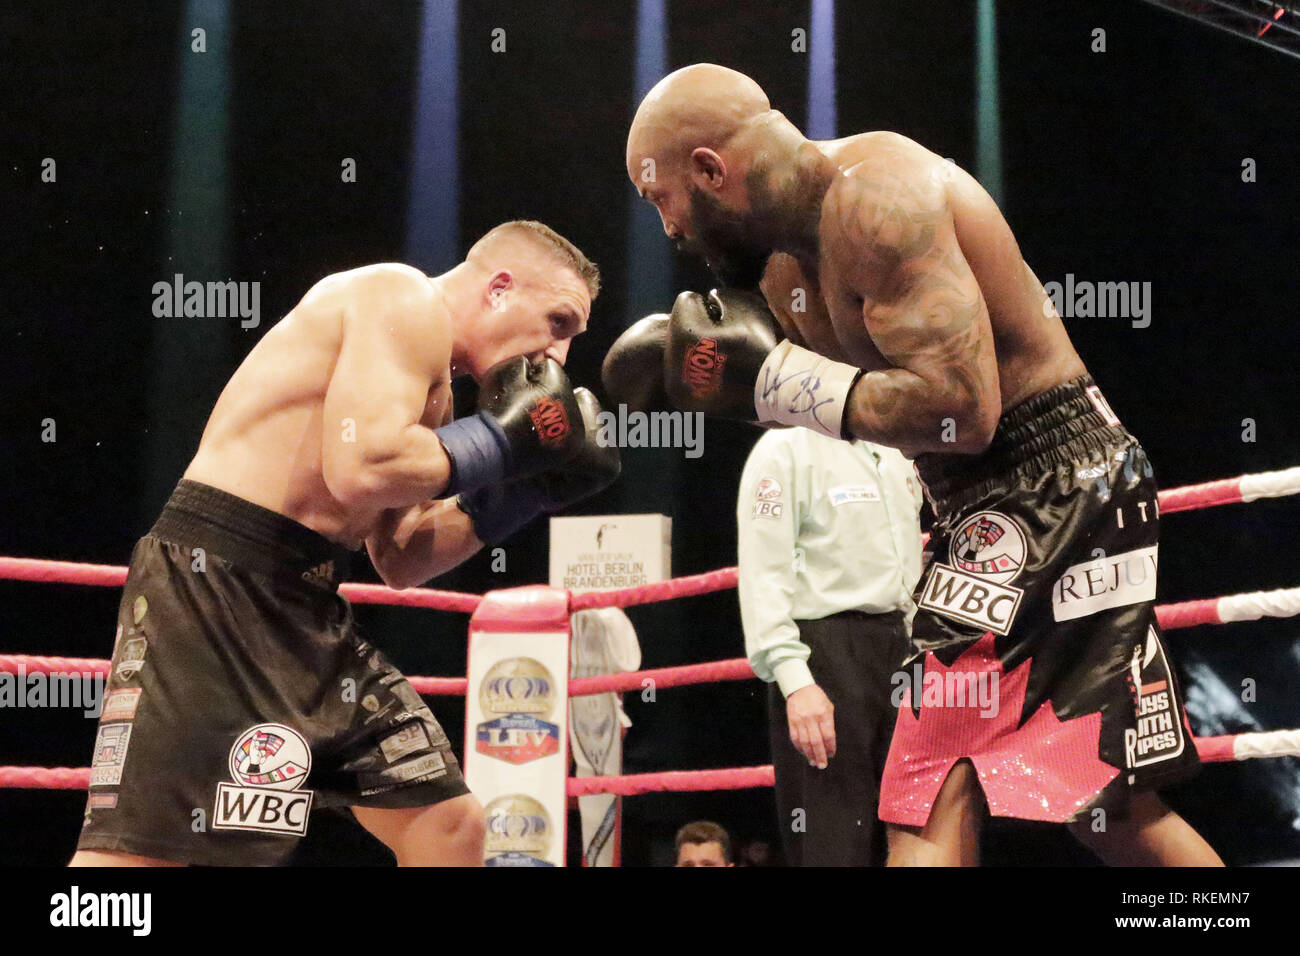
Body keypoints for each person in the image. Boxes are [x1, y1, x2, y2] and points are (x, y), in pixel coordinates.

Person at [604, 64, 1221, 866]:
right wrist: (741, 387)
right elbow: (848, 398)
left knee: (927, 782)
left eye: (661, 198)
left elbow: (962, 412)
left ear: (711, 170)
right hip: (1000, 499)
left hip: (1050, 479)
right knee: (1104, 800)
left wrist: (772, 380)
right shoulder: (787, 269)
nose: (667, 230)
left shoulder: (878, 200)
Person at [72, 220, 618, 867]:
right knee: (135, 858)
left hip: (308, 603)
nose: (556, 359)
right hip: (213, 581)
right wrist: (502, 444)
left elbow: (401, 557)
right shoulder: (401, 298)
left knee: (448, 825)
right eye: (557, 323)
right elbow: (360, 466)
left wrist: (516, 497)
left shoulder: (437, 403)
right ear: (499, 287)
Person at [738, 427, 922, 866]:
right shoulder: (784, 450)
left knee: (905, 835)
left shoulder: (894, 452)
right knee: (834, 838)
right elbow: (763, 573)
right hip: (826, 652)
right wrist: (796, 683)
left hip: (904, 651)